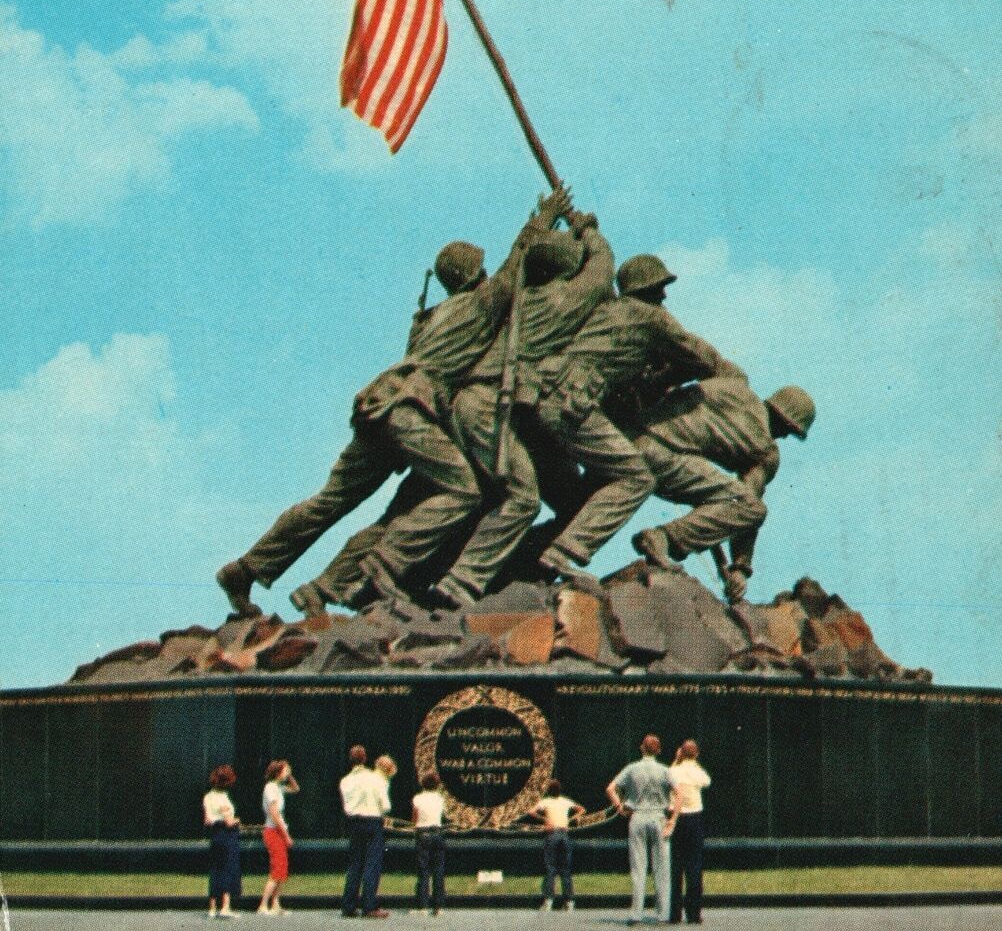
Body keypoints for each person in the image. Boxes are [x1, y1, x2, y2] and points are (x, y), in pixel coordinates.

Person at [214, 188, 570, 619]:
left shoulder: (431, 318)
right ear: (476, 273)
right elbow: (519, 260)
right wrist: (546, 216)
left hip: (379, 403)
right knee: (462, 490)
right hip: (409, 407)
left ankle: (248, 569)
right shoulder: (481, 304)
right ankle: (383, 564)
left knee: (332, 500)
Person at [437, 213, 624, 606]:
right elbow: (603, 269)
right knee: (522, 498)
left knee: (522, 495)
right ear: (565, 268)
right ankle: (461, 582)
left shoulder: (517, 302)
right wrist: (587, 228)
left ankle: (500, 570)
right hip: (488, 404)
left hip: (473, 405)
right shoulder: (563, 300)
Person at [527, 253, 725, 579]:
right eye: (661, 287)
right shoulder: (651, 317)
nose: (664, 295)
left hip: (539, 396)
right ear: (648, 288)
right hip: (570, 403)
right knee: (636, 478)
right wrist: (660, 379)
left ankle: (527, 558)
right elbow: (704, 361)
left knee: (580, 497)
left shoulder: (605, 311)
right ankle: (564, 552)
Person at [629, 364, 816, 603]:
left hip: (626, 435)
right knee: (751, 508)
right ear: (786, 423)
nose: (784, 437)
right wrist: (740, 568)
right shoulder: (766, 450)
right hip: (659, 457)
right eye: (790, 431)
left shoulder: (733, 383)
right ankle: (662, 538)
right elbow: (746, 505)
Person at [606, 734, 676, 924]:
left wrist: (620, 807)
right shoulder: (665, 770)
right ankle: (663, 913)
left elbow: (611, 788)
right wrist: (673, 819)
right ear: (659, 750)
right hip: (659, 817)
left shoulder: (632, 768)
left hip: (637, 817)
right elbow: (679, 794)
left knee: (638, 867)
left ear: (642, 748)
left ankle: (636, 913)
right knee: (662, 867)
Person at [340, 744, 391, 919]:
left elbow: (347, 807)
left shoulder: (345, 781)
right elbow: (385, 805)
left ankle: (348, 905)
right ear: (365, 758)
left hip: (354, 823)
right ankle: (369, 906)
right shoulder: (373, 778)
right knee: (372, 863)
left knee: (355, 864)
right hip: (372, 822)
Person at [667, 739, 712, 925]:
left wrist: (676, 761)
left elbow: (667, 778)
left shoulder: (674, 770)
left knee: (675, 866)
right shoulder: (697, 771)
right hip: (694, 818)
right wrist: (693, 762)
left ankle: (674, 913)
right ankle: (694, 913)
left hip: (675, 817)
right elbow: (706, 782)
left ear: (680, 753)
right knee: (694, 866)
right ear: (696, 754)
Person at [530, 779, 585, 911]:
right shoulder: (566, 801)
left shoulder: (546, 802)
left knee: (551, 868)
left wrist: (544, 819)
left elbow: (531, 811)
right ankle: (569, 901)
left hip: (552, 834)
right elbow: (582, 809)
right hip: (564, 834)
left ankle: (548, 901)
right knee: (566, 869)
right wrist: (571, 819)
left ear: (548, 791)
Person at [258, 759, 299, 916]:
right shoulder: (270, 788)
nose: (287, 773)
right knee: (277, 868)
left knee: (282, 868)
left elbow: (296, 789)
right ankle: (263, 905)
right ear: (277, 772)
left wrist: (289, 776)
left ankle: (275, 903)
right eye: (285, 770)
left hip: (279, 831)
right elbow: (274, 814)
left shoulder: (278, 787)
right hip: (273, 831)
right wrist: (286, 835)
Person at [203, 764, 241, 919]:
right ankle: (225, 906)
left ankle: (212, 907)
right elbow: (229, 821)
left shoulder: (208, 796)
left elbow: (207, 820)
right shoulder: (223, 798)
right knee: (228, 868)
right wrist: (237, 821)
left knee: (215, 868)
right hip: (227, 835)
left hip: (215, 834)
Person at [411, 772, 447, 916]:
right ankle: (439, 906)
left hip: (423, 834)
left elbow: (414, 818)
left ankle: (422, 906)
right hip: (438, 833)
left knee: (423, 870)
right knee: (438, 870)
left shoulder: (417, 798)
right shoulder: (440, 799)